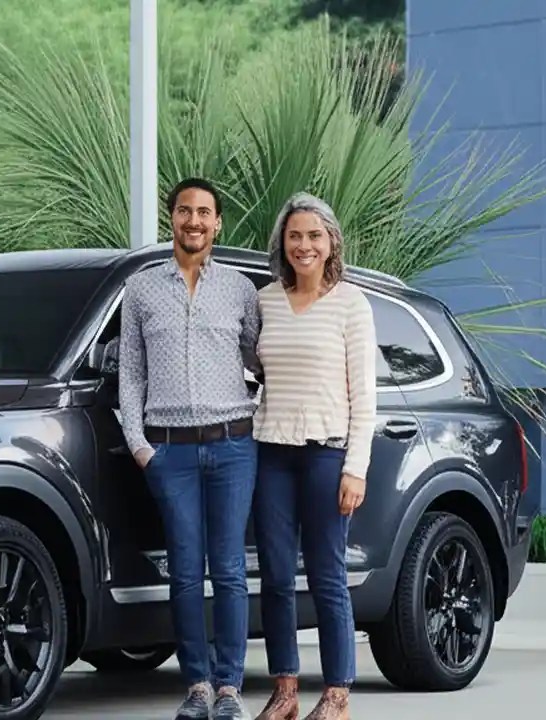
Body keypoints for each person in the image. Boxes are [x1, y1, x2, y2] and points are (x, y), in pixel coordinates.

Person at [118, 177, 262, 720]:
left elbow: (261, 359)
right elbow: (131, 374)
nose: (194, 221)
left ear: (217, 222)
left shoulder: (241, 290)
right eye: (185, 211)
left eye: (204, 212)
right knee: (184, 571)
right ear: (172, 219)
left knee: (227, 570)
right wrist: (139, 446)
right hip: (169, 452)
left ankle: (229, 690)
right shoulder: (142, 289)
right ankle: (197, 688)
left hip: (232, 446)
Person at [250, 192, 377, 720]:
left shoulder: (352, 303)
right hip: (271, 454)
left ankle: (338, 693)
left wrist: (356, 468)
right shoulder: (264, 301)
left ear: (331, 243)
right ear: (283, 240)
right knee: (277, 576)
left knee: (326, 574)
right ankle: (284, 692)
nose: (304, 245)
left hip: (328, 455)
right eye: (295, 235)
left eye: (314, 236)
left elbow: (364, 395)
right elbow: (251, 374)